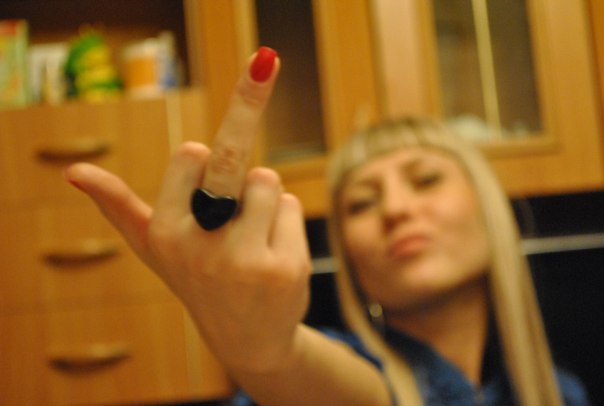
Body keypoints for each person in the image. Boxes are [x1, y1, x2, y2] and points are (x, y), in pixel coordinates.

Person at [64, 47, 589, 405]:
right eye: (361, 204)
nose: (395, 209)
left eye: (426, 180)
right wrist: (265, 354)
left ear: (490, 210)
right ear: (348, 256)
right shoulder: (348, 370)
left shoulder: (560, 392)